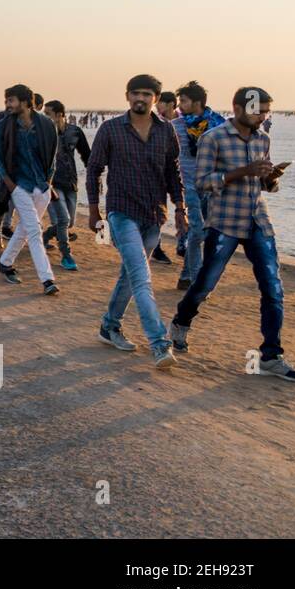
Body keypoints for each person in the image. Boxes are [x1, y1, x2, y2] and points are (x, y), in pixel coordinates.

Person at [168, 88, 295, 380]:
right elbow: (201, 183)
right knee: (205, 283)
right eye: (258, 110)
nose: (263, 116)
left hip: (258, 222)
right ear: (238, 108)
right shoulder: (212, 138)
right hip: (224, 222)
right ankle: (180, 321)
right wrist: (242, 172)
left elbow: (263, 185)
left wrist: (269, 178)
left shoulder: (263, 138)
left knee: (273, 288)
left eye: (266, 110)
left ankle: (270, 356)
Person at [86, 74, 187, 369]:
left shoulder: (166, 131)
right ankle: (159, 344)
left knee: (130, 275)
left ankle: (109, 326)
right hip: (121, 212)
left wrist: (181, 208)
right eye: (135, 93)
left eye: (146, 94)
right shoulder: (110, 129)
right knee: (142, 278)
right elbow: (93, 170)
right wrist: (94, 211)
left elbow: (173, 172)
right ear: (127, 96)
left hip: (154, 215)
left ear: (156, 98)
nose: (140, 98)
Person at [0, 84, 60, 295]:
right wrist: (9, 183)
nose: (8, 105)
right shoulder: (4, 126)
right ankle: (47, 279)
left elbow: (53, 154)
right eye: (7, 101)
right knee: (33, 230)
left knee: (25, 227)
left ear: (25, 102)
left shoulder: (46, 125)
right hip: (19, 185)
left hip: (42, 185)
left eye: (11, 100)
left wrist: (49, 180)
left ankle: (5, 262)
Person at [173, 81, 224, 291]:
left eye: (183, 101)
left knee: (206, 231)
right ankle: (197, 282)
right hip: (189, 186)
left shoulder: (219, 125)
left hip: (212, 185)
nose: (180, 105)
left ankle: (185, 276)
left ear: (197, 102)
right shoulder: (176, 126)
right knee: (197, 230)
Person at [42, 100, 91, 271]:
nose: (44, 116)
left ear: (59, 114)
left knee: (68, 223)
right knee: (64, 220)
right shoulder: (44, 133)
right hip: (52, 183)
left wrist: (94, 177)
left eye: (47, 113)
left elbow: (87, 156)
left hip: (71, 183)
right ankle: (66, 256)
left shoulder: (75, 132)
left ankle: (45, 236)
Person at [150, 91, 180, 264]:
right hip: (157, 176)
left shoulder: (183, 124)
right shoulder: (155, 124)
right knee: (157, 213)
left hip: (179, 175)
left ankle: (181, 244)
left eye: (159, 103)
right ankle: (156, 248)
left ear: (170, 104)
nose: (156, 106)